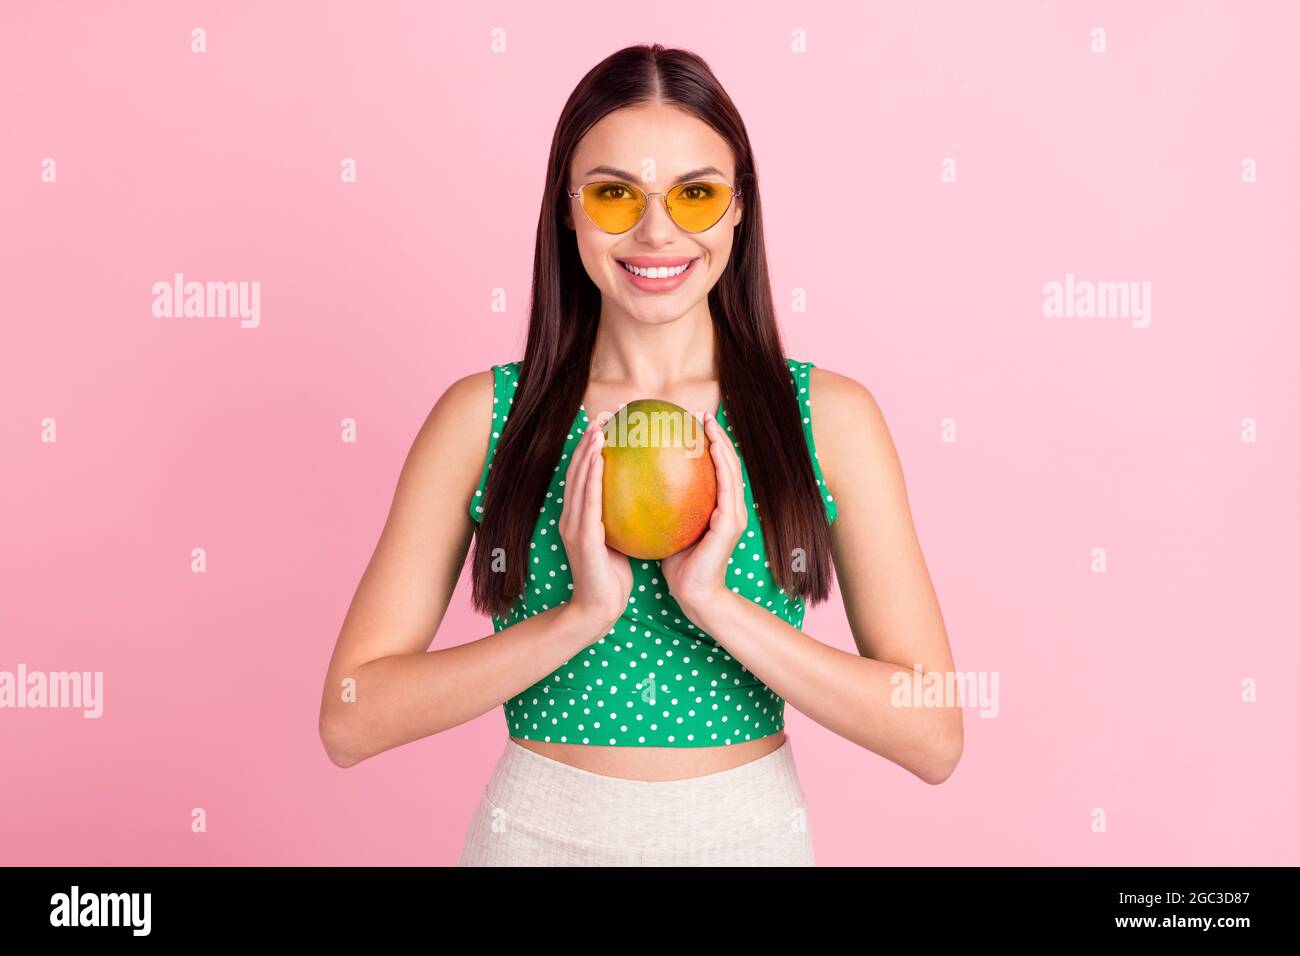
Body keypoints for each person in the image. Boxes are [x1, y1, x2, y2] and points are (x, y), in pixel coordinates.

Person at [318, 42, 962, 866]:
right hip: (532, 844)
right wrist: (578, 618)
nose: (657, 231)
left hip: (751, 844)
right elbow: (351, 719)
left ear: (739, 207)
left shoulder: (825, 417)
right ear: (567, 208)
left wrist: (716, 604)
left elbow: (933, 735)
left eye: (696, 193)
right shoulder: (485, 419)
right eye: (615, 193)